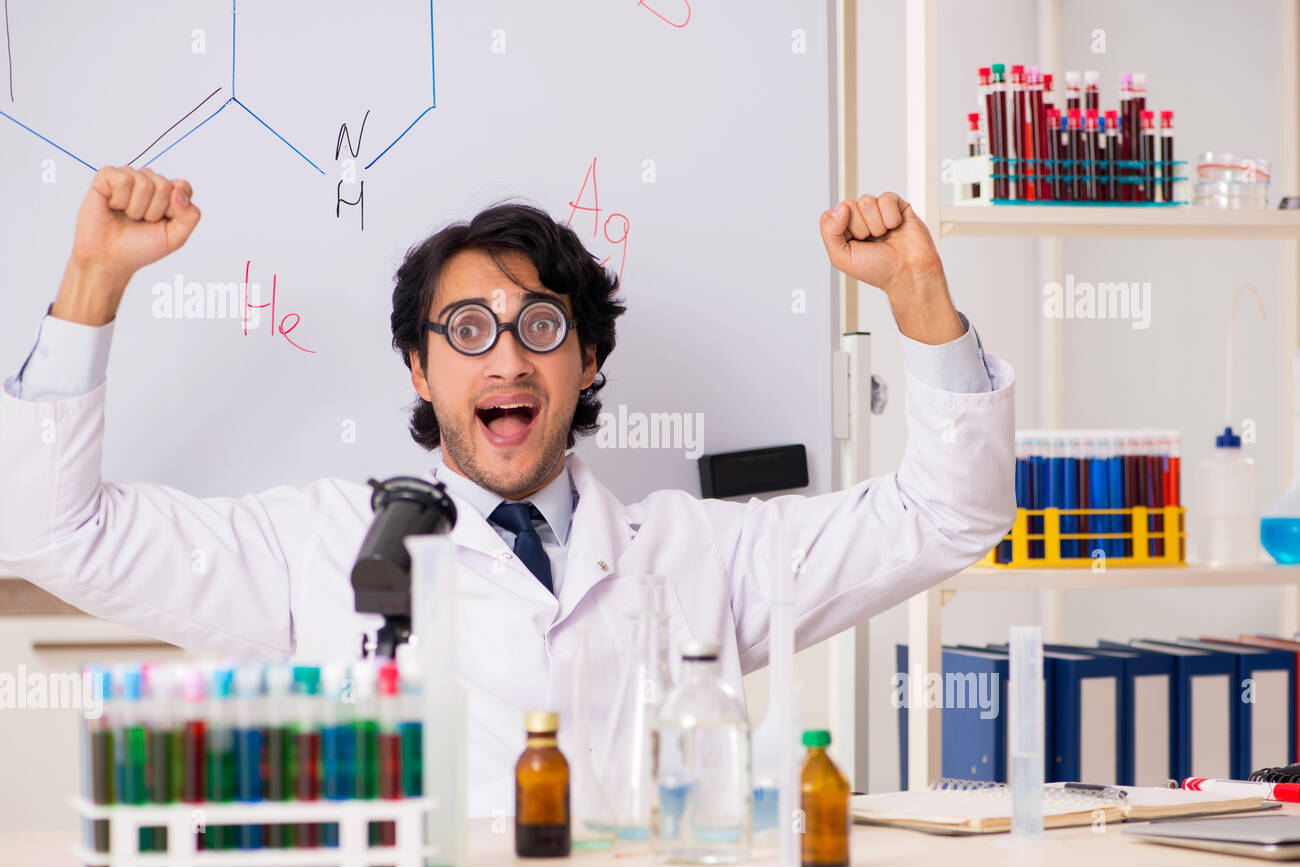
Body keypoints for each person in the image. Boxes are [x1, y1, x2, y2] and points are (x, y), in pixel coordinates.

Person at [0, 166, 1015, 814]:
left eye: (540, 329)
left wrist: (917, 298)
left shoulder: (700, 555)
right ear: (416, 366)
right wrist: (93, 282)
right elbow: (51, 533)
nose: (507, 363)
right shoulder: (315, 549)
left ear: (585, 361)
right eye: (467, 333)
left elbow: (946, 513)